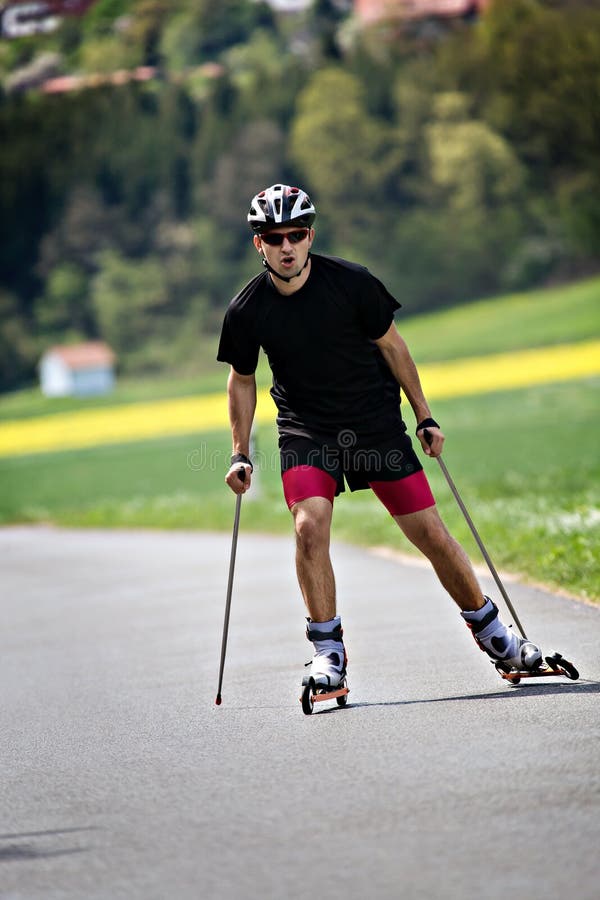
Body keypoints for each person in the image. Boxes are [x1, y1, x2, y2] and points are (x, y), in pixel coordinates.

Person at [217, 183, 542, 693]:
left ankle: (495, 635)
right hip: (307, 430)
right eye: (274, 237)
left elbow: (393, 346)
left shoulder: (351, 283)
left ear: (311, 235)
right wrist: (240, 452)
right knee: (309, 525)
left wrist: (425, 416)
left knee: (430, 534)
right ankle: (328, 654)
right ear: (258, 244)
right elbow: (242, 379)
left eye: (296, 235)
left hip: (374, 424)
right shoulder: (246, 310)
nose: (286, 247)